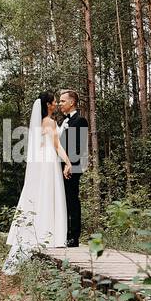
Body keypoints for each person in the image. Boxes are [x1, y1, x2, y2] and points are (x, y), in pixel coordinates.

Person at [1, 91, 70, 274]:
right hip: (49, 164)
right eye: (54, 102)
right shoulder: (49, 122)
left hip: (39, 164)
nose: (56, 104)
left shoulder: (36, 125)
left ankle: (36, 232)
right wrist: (68, 161)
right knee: (49, 196)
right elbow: (57, 146)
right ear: (47, 104)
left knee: (38, 196)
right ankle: (50, 234)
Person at [57, 89, 88, 247]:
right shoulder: (61, 122)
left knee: (72, 201)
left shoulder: (80, 121)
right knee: (61, 201)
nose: (60, 104)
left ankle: (73, 237)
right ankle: (61, 233)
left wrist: (69, 166)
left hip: (72, 167)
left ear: (72, 102)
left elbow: (79, 148)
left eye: (62, 101)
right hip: (59, 166)